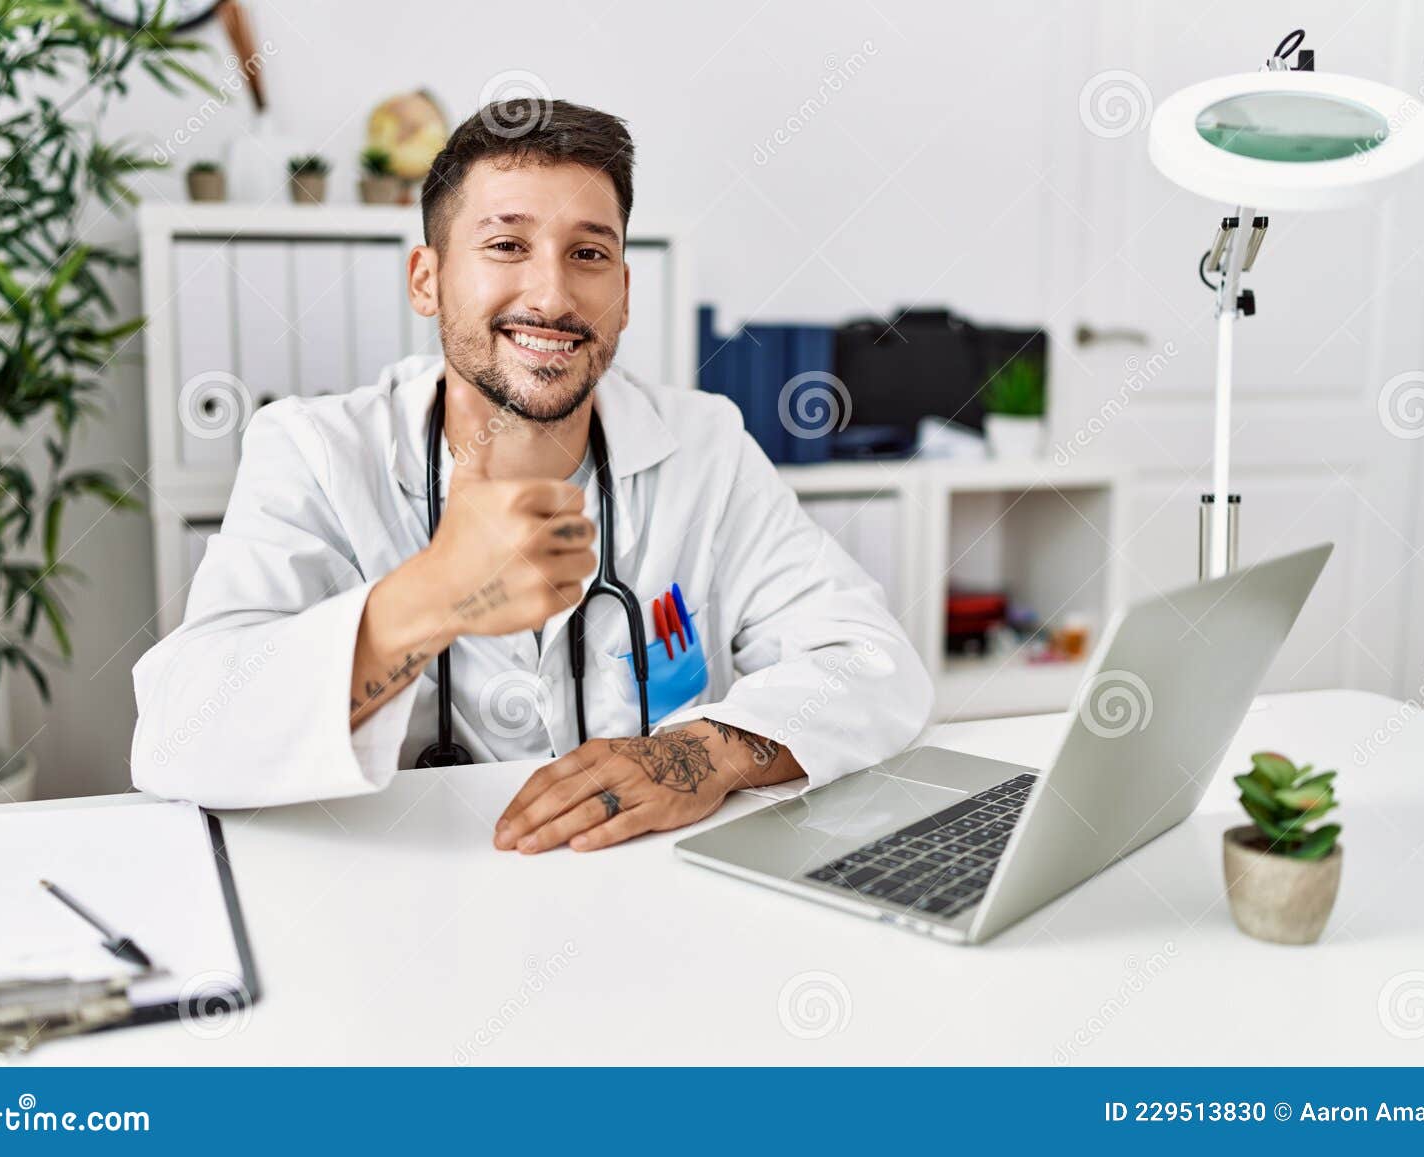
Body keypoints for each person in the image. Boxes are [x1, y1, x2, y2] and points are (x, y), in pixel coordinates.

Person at [130, 98, 933, 853]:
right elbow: (178, 737)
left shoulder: (704, 445)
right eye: (507, 245)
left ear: (622, 292)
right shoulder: (315, 450)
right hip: (406, 908)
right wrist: (426, 599)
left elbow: (874, 664)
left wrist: (701, 755)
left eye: (588, 254)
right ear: (427, 278)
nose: (552, 295)